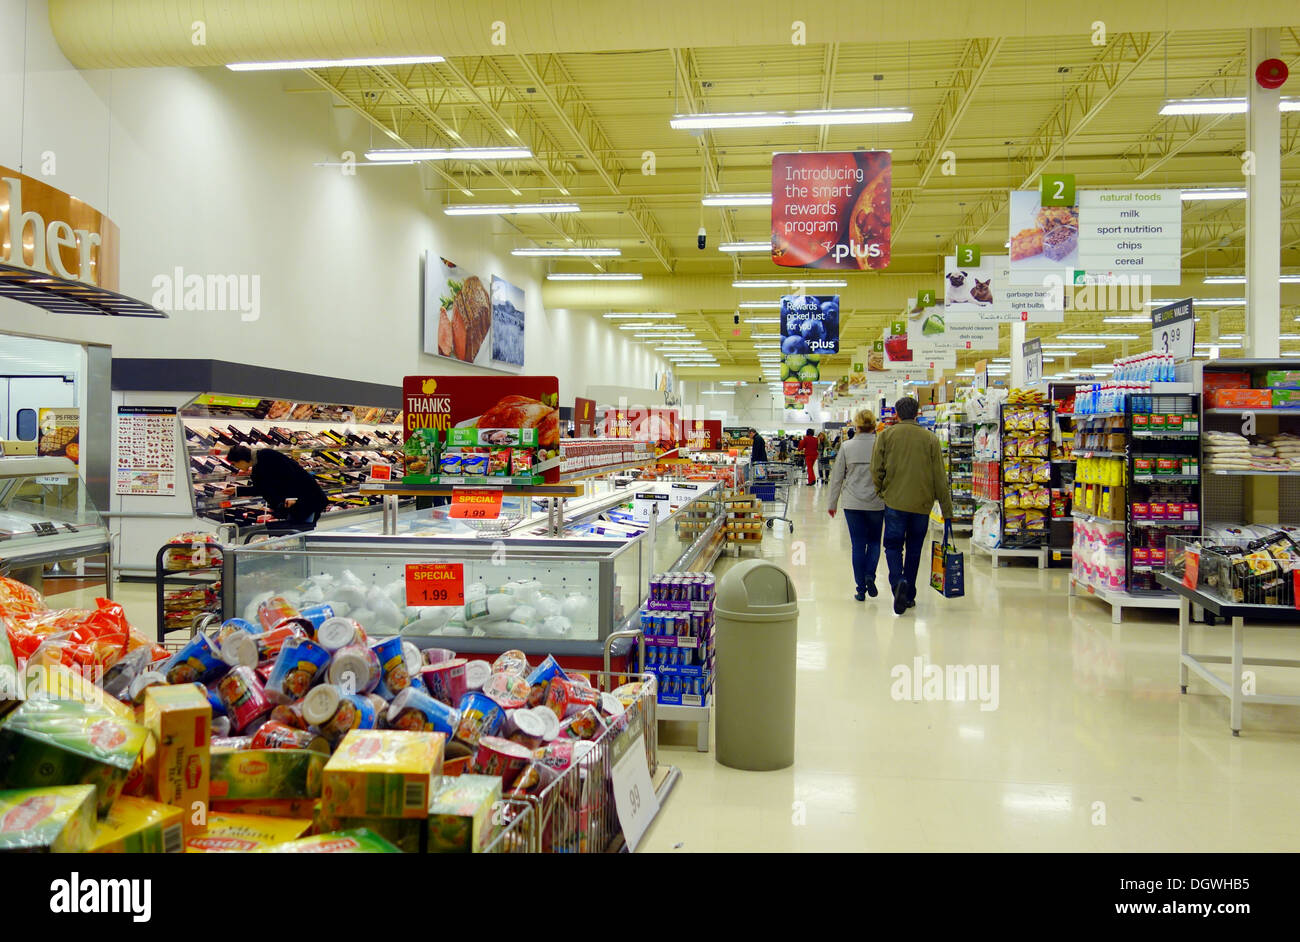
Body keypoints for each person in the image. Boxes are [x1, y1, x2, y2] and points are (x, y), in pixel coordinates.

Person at [869, 396, 954, 615]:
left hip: (895, 502)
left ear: (896, 413)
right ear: (917, 413)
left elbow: (876, 468)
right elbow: (939, 477)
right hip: (922, 504)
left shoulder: (885, 435)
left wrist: (881, 491)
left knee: (893, 546)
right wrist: (947, 510)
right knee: (915, 549)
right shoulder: (930, 439)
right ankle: (909, 594)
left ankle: (898, 581)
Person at [827, 409, 885, 601]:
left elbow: (837, 477)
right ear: (874, 425)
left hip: (852, 503)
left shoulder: (847, 446)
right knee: (875, 542)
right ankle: (870, 575)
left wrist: (832, 502)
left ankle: (861, 588)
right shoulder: (881, 445)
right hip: (877, 502)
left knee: (858, 545)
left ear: (856, 425)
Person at [224, 443, 329, 528]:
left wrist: (292, 497)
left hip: (305, 500)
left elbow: (290, 474)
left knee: (300, 534)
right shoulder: (258, 464)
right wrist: (237, 490)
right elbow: (264, 489)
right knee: (295, 535)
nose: (236, 467)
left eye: (234, 464)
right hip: (294, 504)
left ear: (241, 459)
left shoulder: (266, 456)